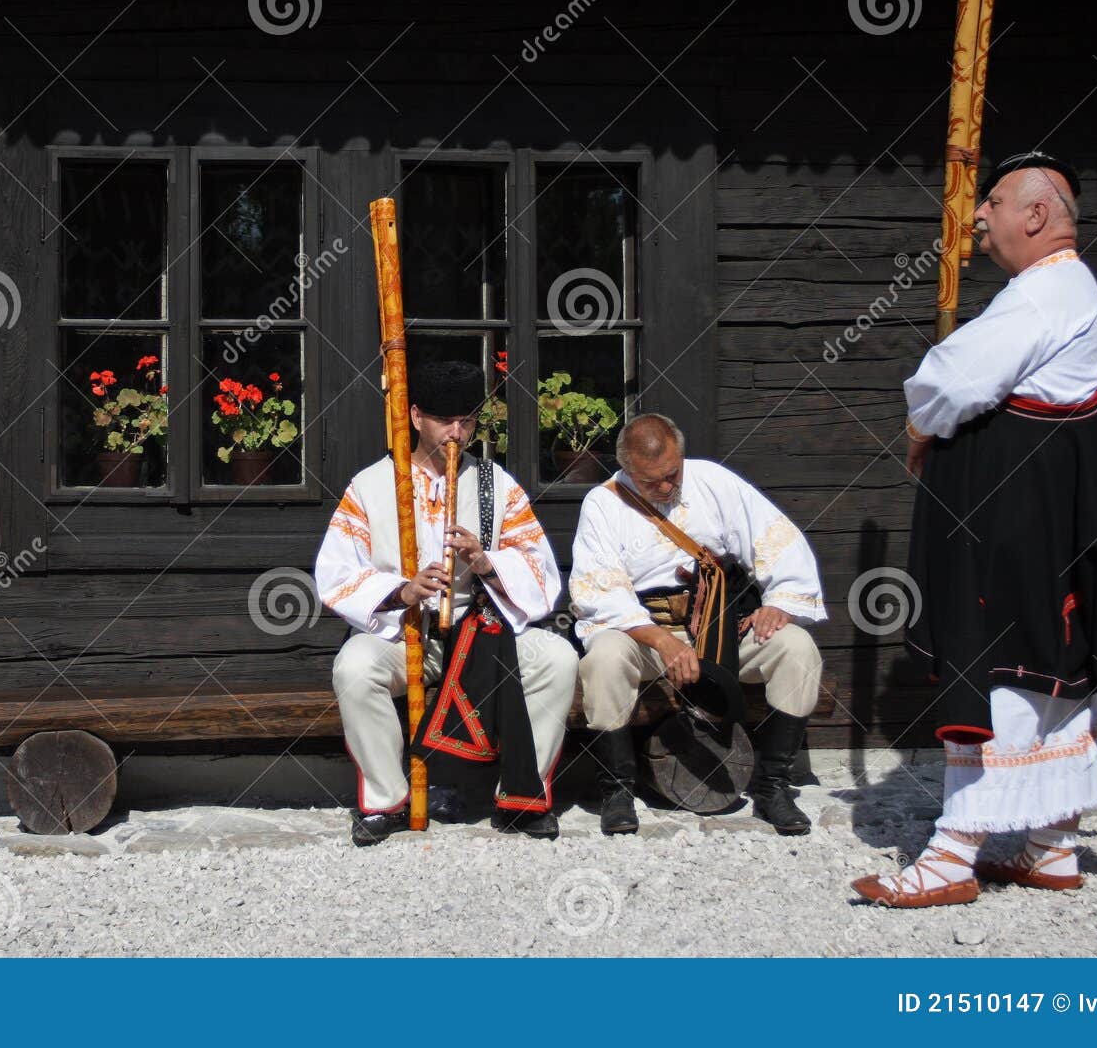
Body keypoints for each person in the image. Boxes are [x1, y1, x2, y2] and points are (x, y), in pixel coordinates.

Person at [852, 151, 1097, 907]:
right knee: (1055, 663)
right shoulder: (1057, 288)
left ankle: (951, 856)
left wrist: (921, 422)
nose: (978, 213)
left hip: (1017, 522)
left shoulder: (1046, 292)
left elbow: (954, 378)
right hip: (1040, 513)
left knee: (1002, 666)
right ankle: (1050, 846)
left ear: (1036, 214)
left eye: (994, 200)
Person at [315, 360, 579, 846]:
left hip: (480, 634)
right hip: (402, 632)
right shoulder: (372, 485)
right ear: (416, 416)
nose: (457, 434)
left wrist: (486, 563)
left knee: (557, 658)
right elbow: (336, 573)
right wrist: (402, 591)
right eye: (444, 421)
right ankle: (386, 801)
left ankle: (521, 797)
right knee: (354, 667)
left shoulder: (495, 485)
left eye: (467, 421)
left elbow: (539, 569)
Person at [569, 412, 829, 836]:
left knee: (796, 647)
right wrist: (663, 642)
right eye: (652, 481)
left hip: (719, 632)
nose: (666, 487)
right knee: (605, 658)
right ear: (628, 470)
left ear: (681, 455)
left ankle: (773, 787)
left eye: (673, 474)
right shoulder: (603, 504)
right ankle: (617, 789)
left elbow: (775, 538)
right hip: (645, 637)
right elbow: (601, 594)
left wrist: (779, 602)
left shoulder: (713, 481)